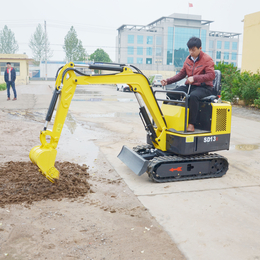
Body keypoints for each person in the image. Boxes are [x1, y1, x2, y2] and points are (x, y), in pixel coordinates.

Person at [161, 37, 215, 132]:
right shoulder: (188, 59)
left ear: (200, 48)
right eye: (189, 50)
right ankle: (174, 118)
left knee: (193, 96)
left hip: (204, 87)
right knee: (171, 93)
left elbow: (211, 75)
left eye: (193, 50)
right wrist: (168, 81)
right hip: (190, 86)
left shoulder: (207, 59)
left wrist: (195, 78)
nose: (191, 52)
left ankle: (191, 123)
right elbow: (182, 74)